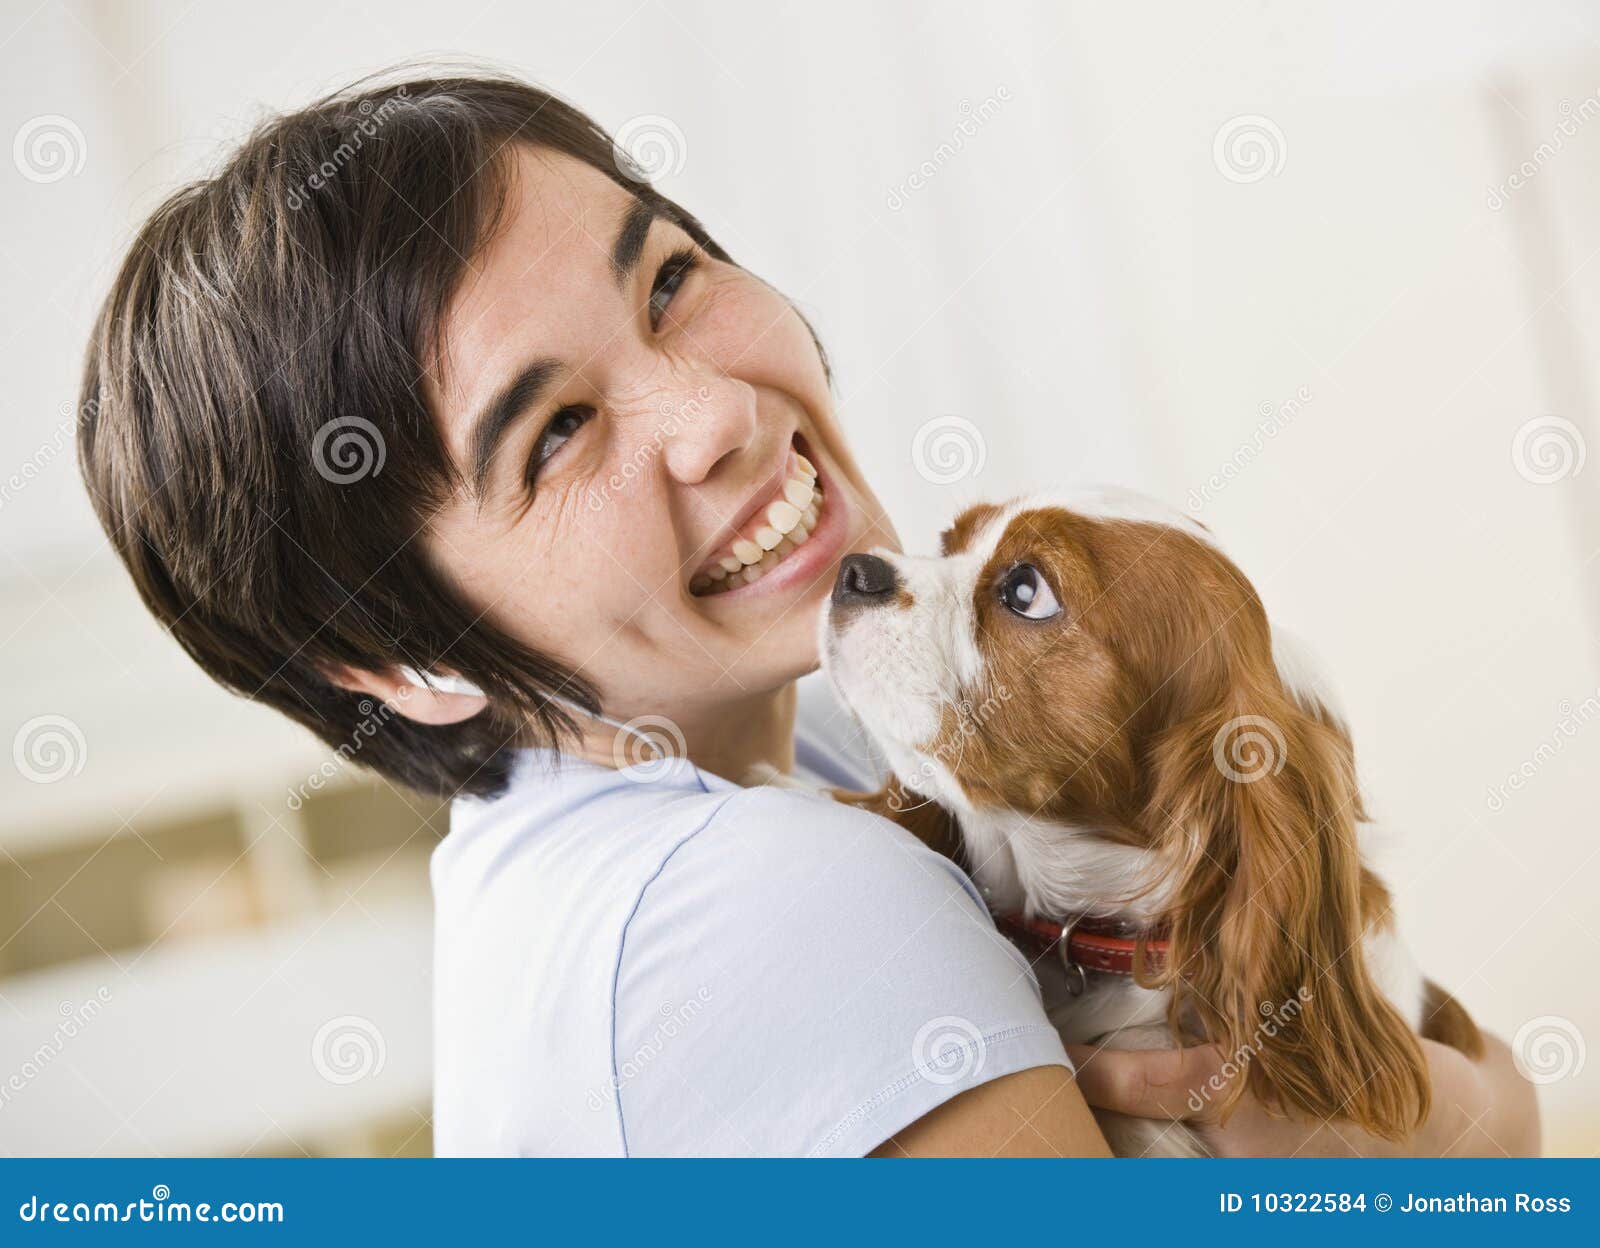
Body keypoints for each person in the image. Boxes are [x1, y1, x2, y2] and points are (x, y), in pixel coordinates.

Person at [76, 70, 1538, 1157]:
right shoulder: (769, 896)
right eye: (557, 432)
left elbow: (1491, 1116)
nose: (715, 412)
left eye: (668, 280)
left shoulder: (799, 754)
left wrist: (1453, 1118)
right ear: (398, 664)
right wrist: (1445, 1133)